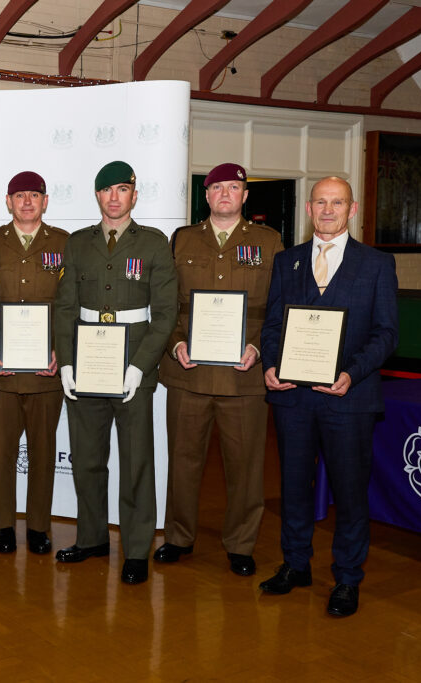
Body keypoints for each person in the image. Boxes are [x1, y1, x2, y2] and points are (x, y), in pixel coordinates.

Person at [259, 176, 398, 617]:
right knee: (294, 487)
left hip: (348, 398)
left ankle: (347, 578)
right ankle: (296, 564)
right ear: (308, 209)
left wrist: (350, 374)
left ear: (352, 210)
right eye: (320, 202)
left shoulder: (376, 264)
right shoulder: (288, 262)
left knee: (350, 490)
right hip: (293, 399)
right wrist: (270, 364)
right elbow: (273, 326)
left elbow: (386, 334)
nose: (327, 210)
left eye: (336, 202)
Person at [155, 163, 284, 577]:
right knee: (183, 461)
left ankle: (241, 544)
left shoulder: (269, 241)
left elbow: (277, 308)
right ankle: (178, 536)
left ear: (245, 195)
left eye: (234, 187)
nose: (225, 193)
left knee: (246, 467)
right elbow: (166, 305)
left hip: (244, 376)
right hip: (188, 373)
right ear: (205, 195)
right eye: (217, 187)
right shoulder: (182, 240)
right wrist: (175, 343)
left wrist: (258, 346)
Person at [53, 160, 177, 585]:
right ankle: (91, 537)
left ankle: (137, 548)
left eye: (122, 189)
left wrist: (141, 367)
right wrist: (66, 362)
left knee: (137, 461)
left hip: (131, 365)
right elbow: (66, 306)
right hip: (87, 362)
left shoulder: (155, 244)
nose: (114, 197)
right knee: (87, 458)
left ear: (134, 195)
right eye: (106, 190)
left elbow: (164, 314)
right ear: (97, 196)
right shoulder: (78, 243)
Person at [0, 171, 68, 555]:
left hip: (45, 369)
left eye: (34, 195)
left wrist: (59, 351)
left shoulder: (65, 244)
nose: (27, 202)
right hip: (2, 368)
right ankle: (3, 524)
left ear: (45, 201)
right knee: (2, 451)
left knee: (43, 452)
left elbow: (69, 305)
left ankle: (38, 526)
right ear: (8, 201)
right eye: (20, 196)